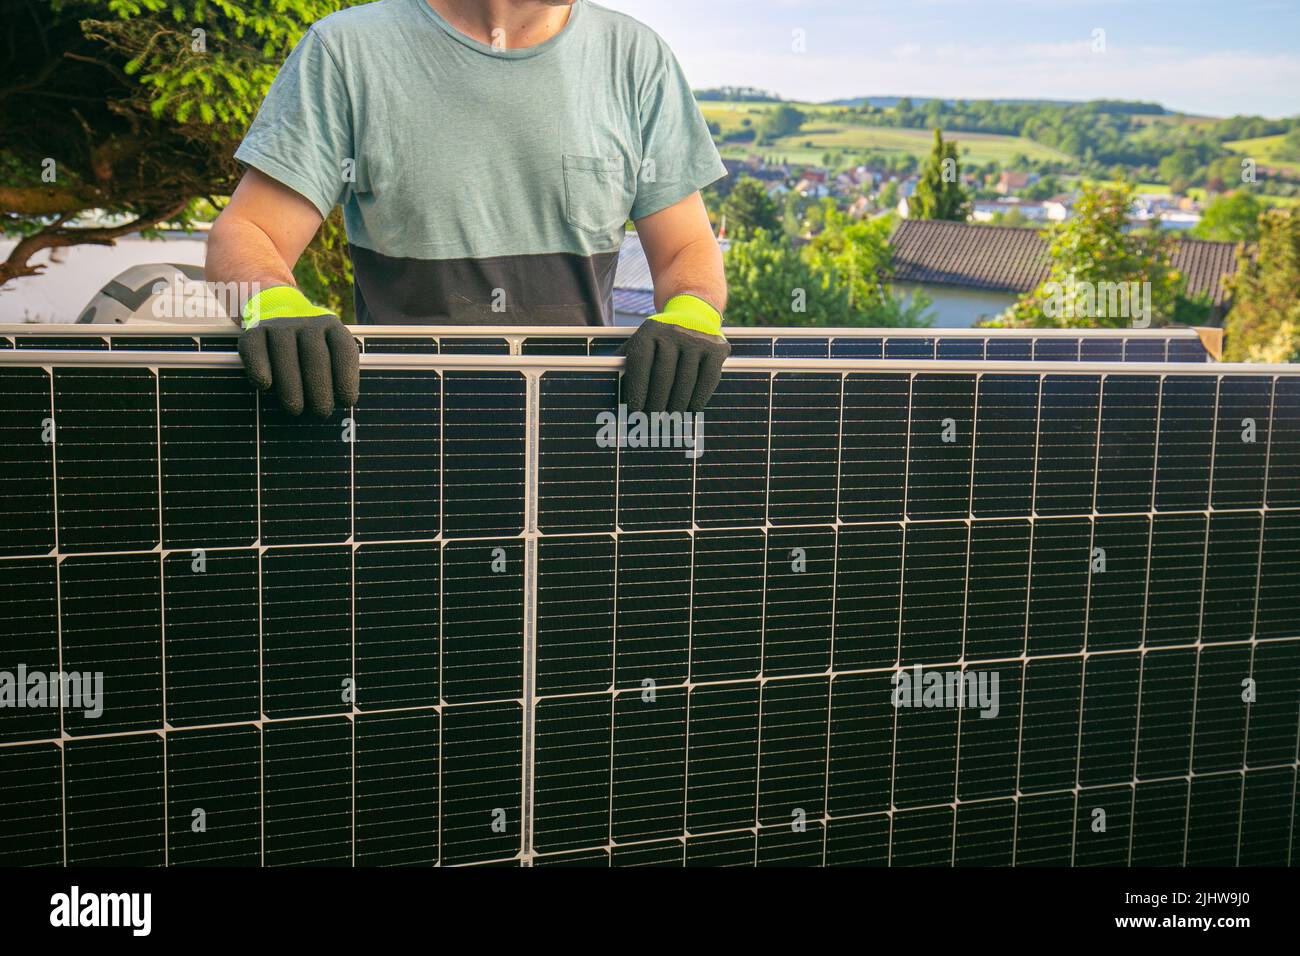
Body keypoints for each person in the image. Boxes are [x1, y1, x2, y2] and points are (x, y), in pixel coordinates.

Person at [207, 0, 730, 418]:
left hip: (580, 432)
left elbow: (684, 246)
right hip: (400, 432)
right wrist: (273, 305)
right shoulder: (349, 52)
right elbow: (249, 231)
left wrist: (692, 311)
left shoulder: (637, 58)